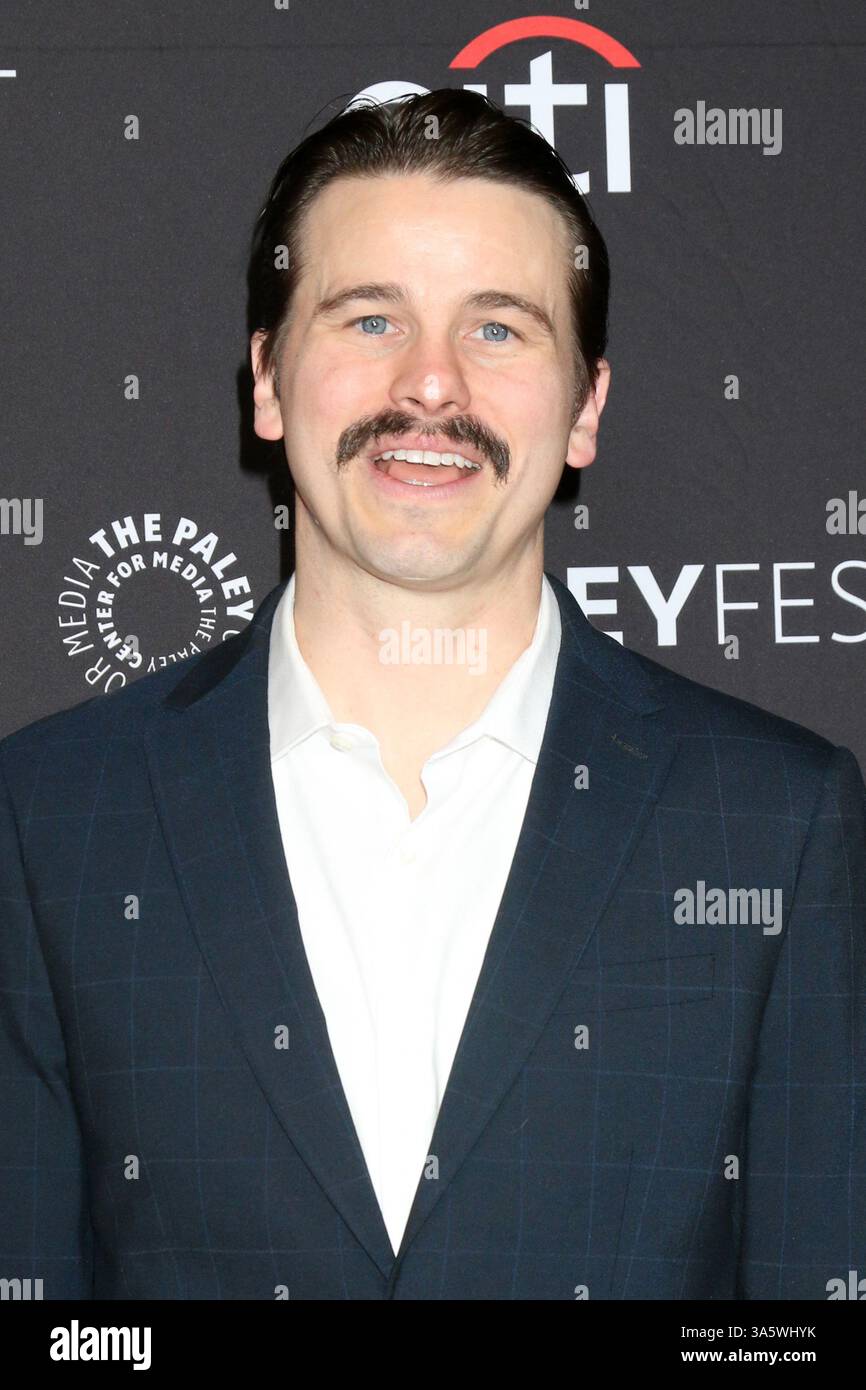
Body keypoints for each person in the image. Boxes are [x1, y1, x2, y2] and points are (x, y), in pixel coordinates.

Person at [1, 89, 863, 1301]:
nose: (428, 386)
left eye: (498, 331)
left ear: (585, 409)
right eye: (367, 320)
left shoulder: (776, 823)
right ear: (265, 379)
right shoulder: (48, 818)